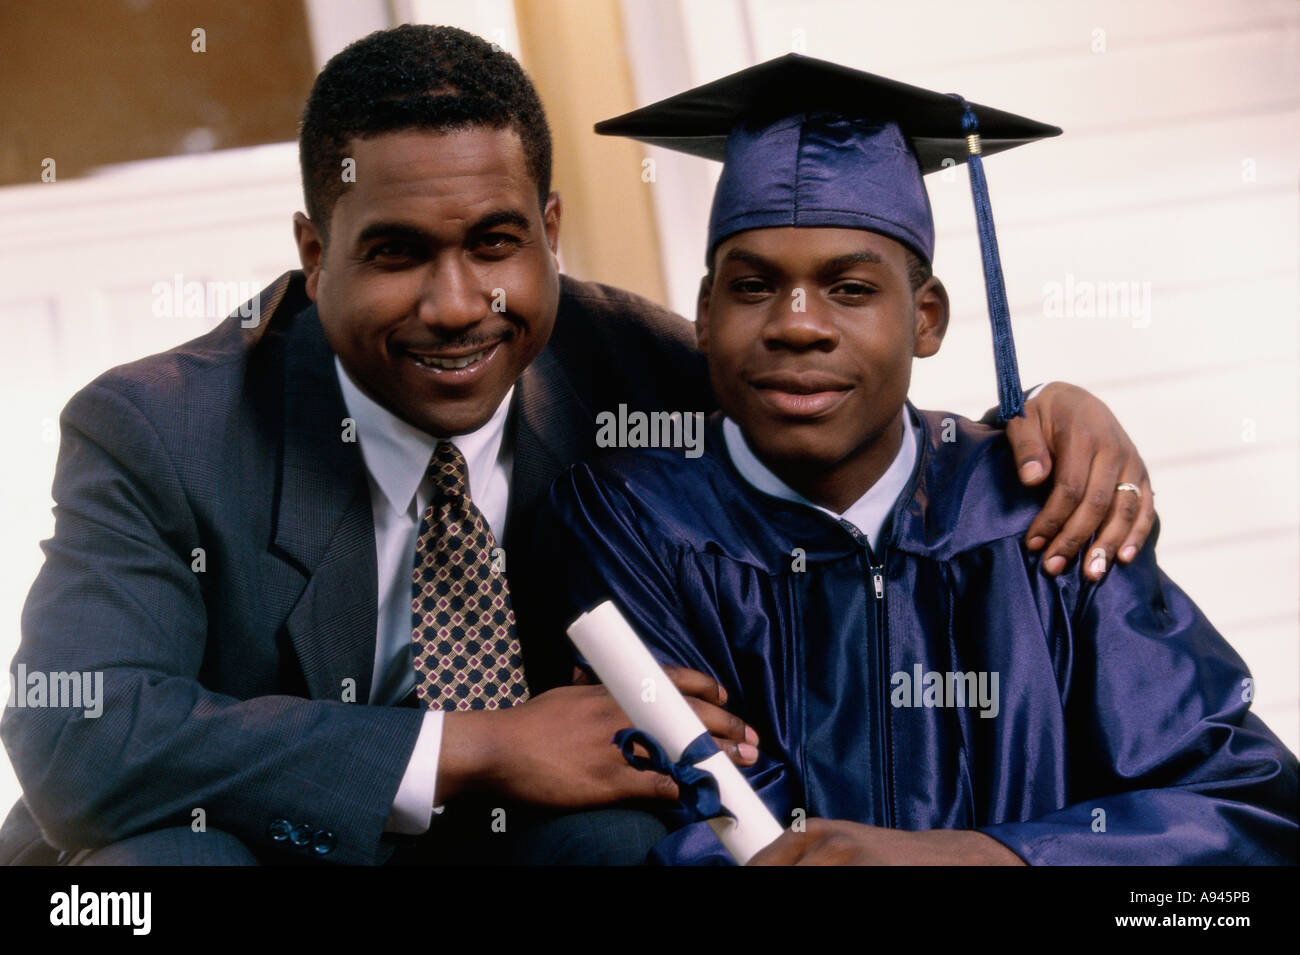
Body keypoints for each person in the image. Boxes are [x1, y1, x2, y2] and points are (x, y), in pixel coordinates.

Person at [2, 28, 1156, 867]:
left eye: (496, 243)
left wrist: (1043, 412)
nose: (458, 305)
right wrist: (478, 747)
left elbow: (838, 379)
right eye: (396, 251)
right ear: (315, 251)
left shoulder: (637, 365)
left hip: (525, 844)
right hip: (254, 840)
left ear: (549, 231)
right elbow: (77, 729)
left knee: (624, 842)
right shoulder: (161, 428)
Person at [535, 54, 1299, 865]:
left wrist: (989, 858)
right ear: (702, 313)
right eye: (754, 286)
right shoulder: (633, 523)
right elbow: (698, 820)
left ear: (926, 319)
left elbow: (1248, 818)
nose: (798, 324)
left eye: (851, 289)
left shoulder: (1041, 517)